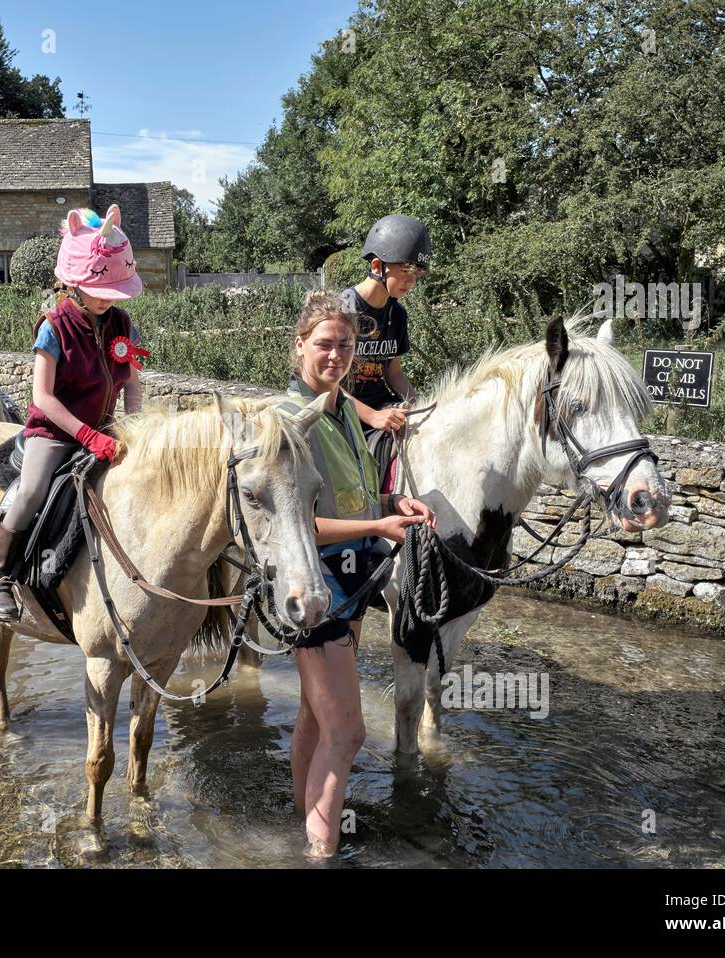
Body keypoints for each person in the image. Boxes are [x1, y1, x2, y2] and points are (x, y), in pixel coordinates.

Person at [281, 291, 437, 860]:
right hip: (315, 590)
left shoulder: (343, 406)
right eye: (324, 344)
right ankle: (322, 854)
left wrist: (395, 502)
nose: (336, 355)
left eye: (345, 345)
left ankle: (303, 821)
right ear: (299, 346)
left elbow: (357, 494)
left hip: (352, 582)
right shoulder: (287, 422)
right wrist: (381, 529)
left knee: (314, 718)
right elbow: (294, 525)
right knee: (348, 733)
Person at [0, 204, 146, 621]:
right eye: (103, 291)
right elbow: (42, 397)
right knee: (33, 490)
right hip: (54, 432)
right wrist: (87, 436)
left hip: (108, 429)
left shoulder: (123, 323)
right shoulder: (53, 326)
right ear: (74, 283)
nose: (111, 300)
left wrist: (133, 426)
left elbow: (132, 381)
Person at [342, 215, 431, 442]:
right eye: (404, 271)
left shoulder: (398, 314)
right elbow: (326, 385)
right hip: (342, 408)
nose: (411, 282)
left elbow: (394, 373)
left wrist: (421, 406)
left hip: (381, 403)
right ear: (376, 266)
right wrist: (373, 417)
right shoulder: (343, 310)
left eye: (416, 275)